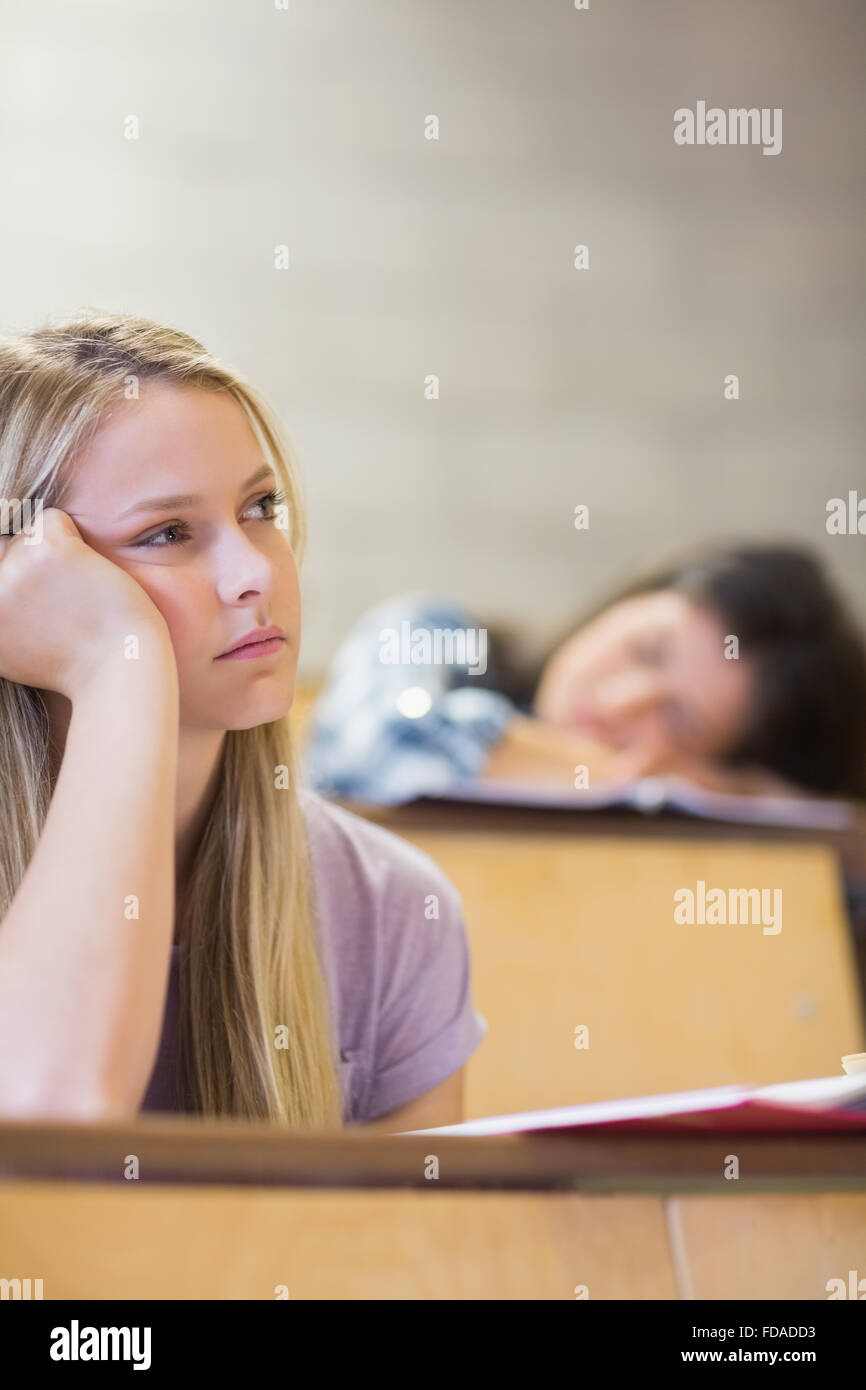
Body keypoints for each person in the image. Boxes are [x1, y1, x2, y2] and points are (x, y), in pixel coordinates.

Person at [0, 313, 486, 1131]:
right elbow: (49, 1119)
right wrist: (120, 663)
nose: (256, 571)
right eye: (168, 533)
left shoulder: (390, 908)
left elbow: (402, 1258)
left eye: (262, 506)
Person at [304, 547, 866, 806]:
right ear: (632, 596)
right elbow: (383, 745)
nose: (622, 702)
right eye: (645, 651)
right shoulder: (438, 634)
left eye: (678, 720)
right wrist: (639, 780)